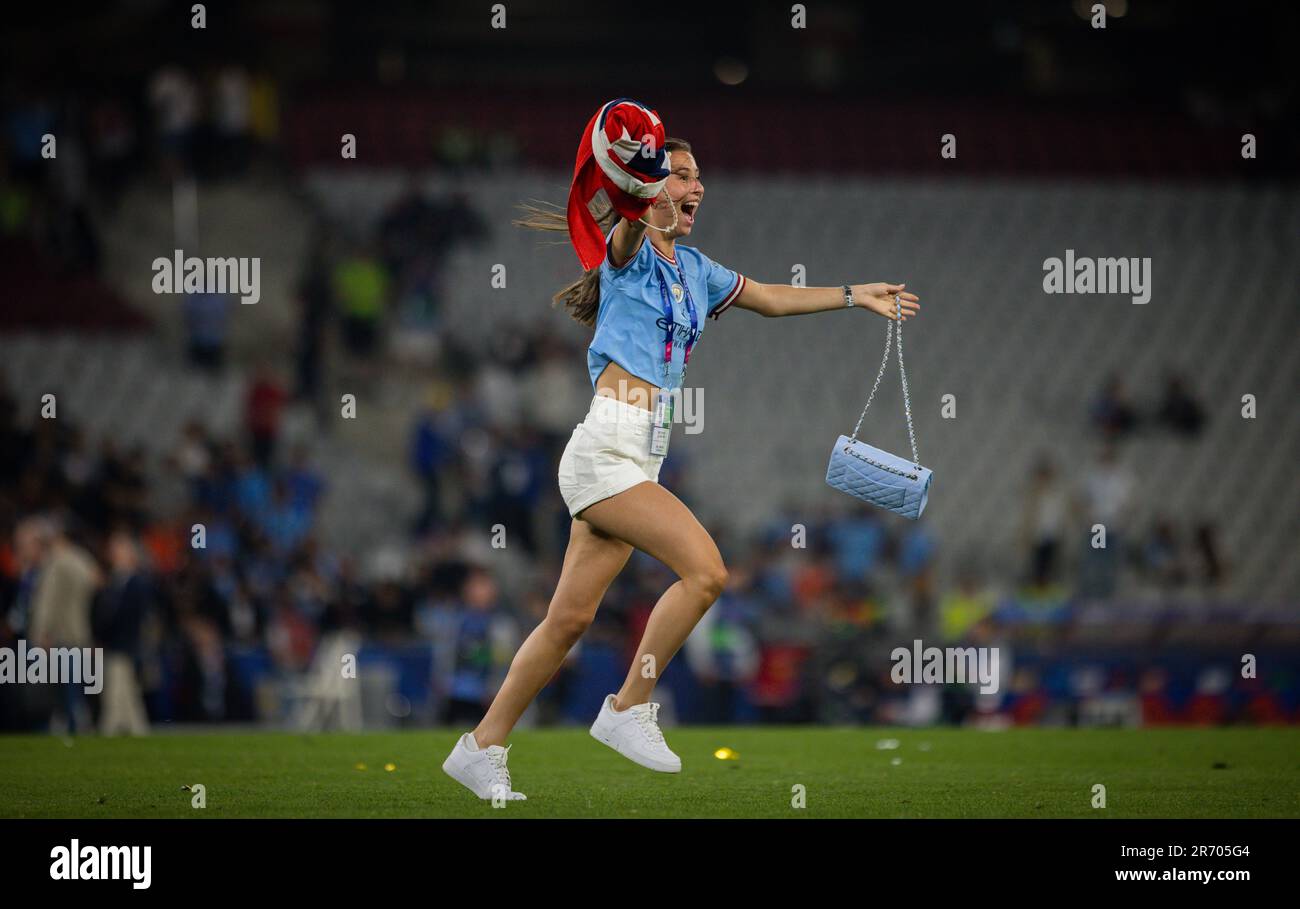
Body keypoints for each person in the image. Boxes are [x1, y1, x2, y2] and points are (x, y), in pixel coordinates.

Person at [441, 102, 920, 801]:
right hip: (607, 446)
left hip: (639, 456)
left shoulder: (695, 269)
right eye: (684, 176)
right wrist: (637, 167)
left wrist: (856, 295)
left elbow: (774, 299)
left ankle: (480, 744)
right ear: (654, 187)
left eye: (702, 179)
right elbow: (628, 207)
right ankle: (630, 705)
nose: (697, 188)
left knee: (568, 619)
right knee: (707, 572)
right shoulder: (627, 249)